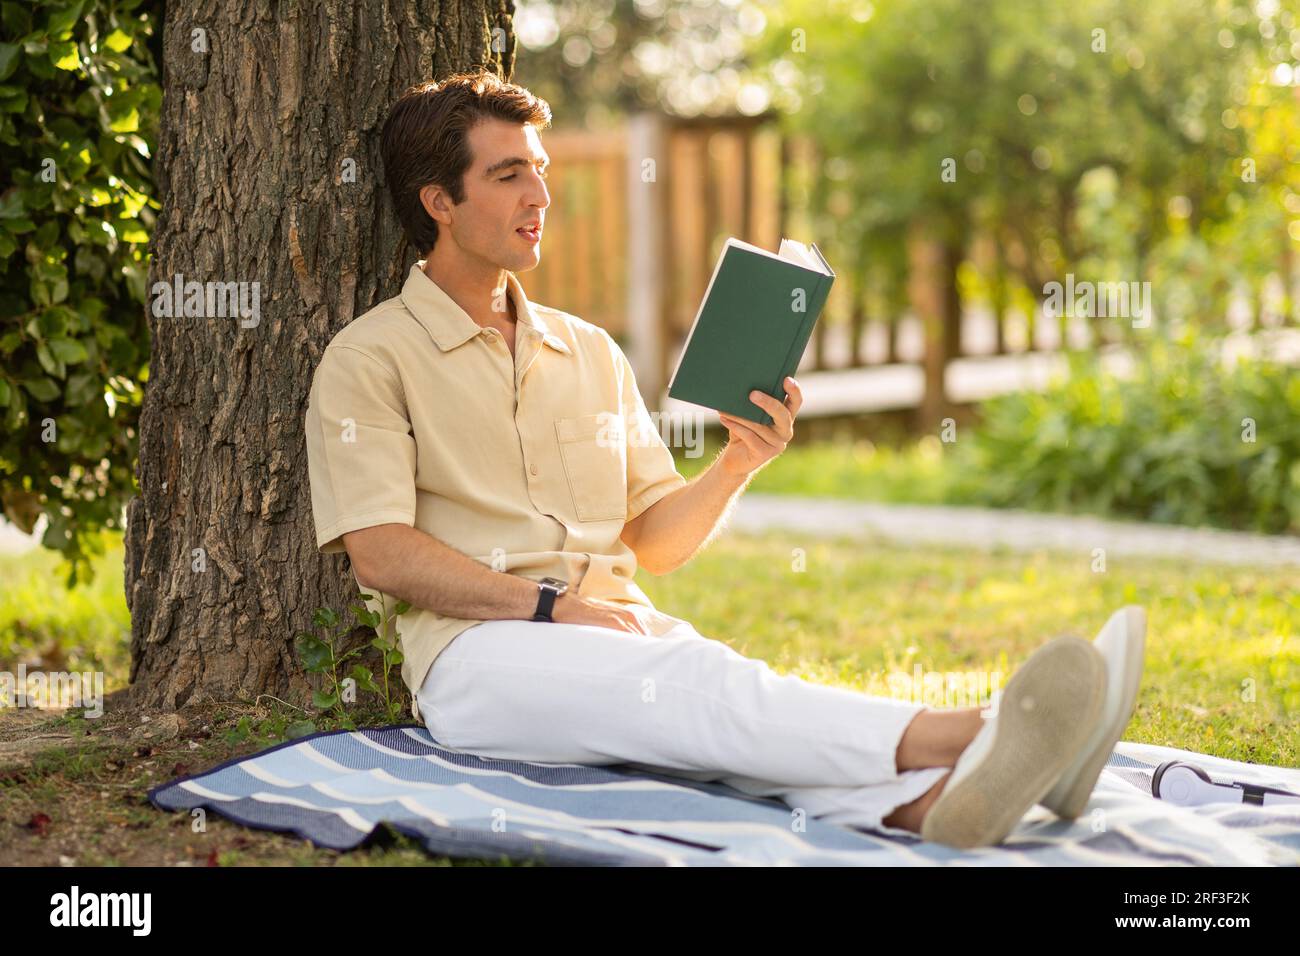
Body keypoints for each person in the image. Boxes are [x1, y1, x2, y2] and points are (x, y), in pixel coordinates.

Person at [303, 70, 1147, 849]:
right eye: (507, 175)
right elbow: (382, 552)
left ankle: (923, 807)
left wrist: (738, 462)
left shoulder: (589, 351)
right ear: (437, 202)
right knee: (702, 688)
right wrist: (550, 607)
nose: (541, 195)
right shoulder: (371, 358)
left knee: (718, 716)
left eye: (541, 169)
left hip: (617, 630)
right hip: (478, 656)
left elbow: (655, 542)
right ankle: (980, 731)